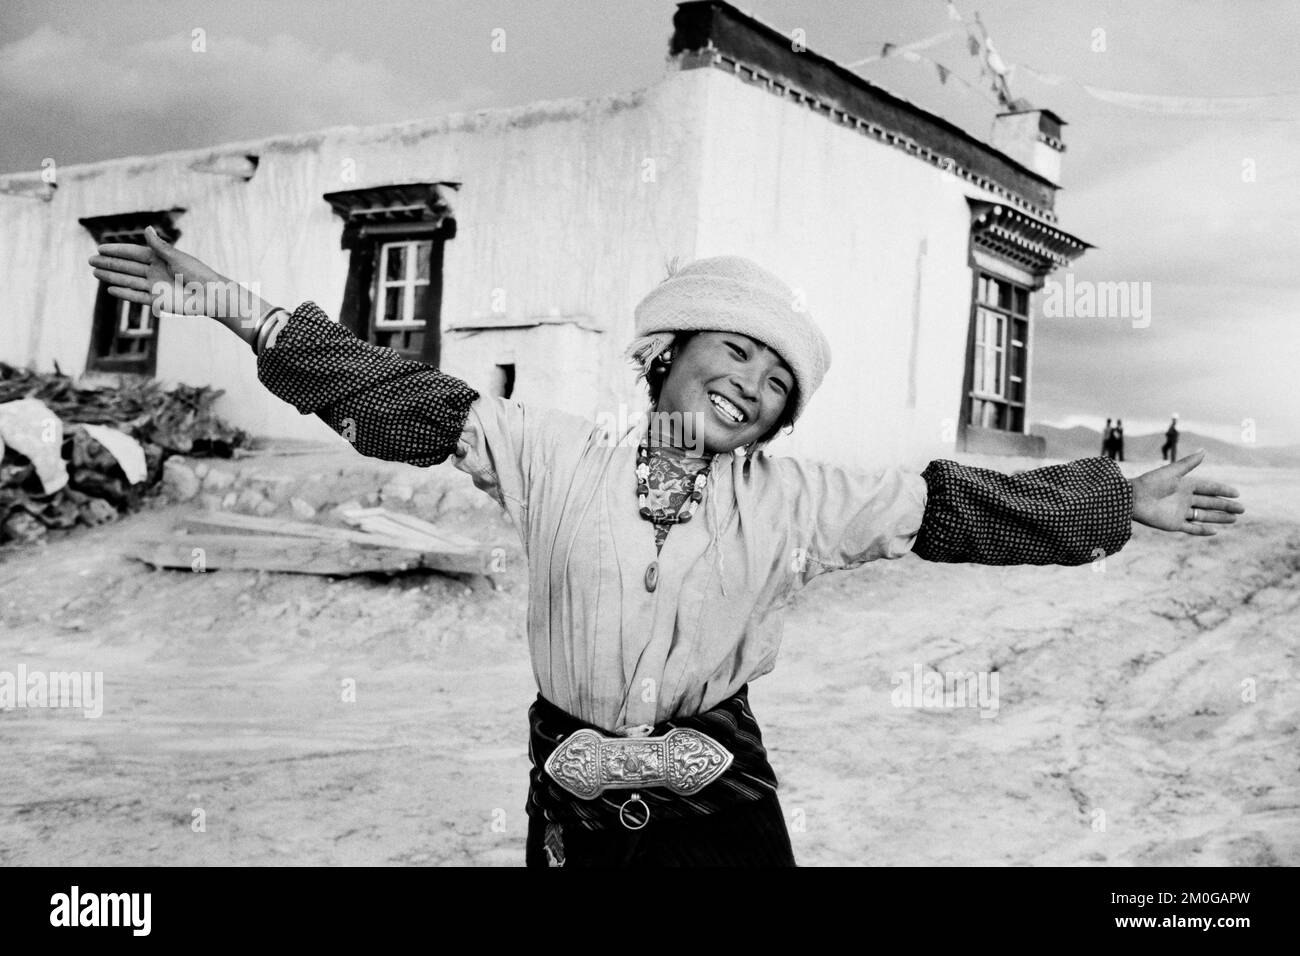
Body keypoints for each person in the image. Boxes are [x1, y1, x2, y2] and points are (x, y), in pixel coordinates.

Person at [87, 231, 1246, 867]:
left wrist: (1111, 498)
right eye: (734, 350)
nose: (753, 380)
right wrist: (245, 310)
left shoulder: (797, 496)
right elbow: (398, 396)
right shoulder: (545, 450)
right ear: (663, 355)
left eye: (778, 376)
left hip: (720, 785)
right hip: (573, 773)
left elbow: (946, 503)